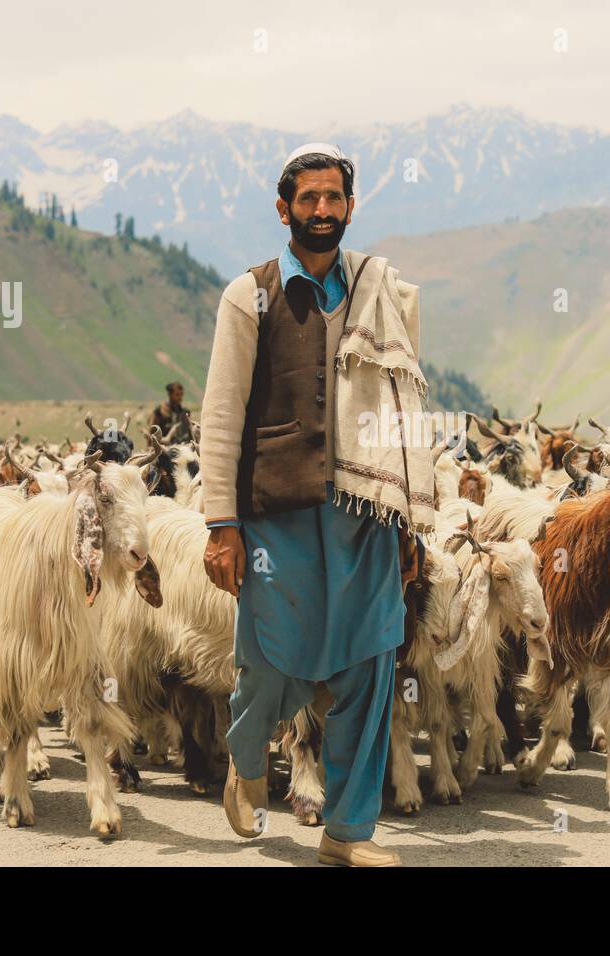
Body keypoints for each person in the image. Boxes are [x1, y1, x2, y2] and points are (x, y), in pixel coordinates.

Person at [198, 143, 435, 867]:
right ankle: (246, 763)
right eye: (309, 200)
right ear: (284, 209)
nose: (323, 211)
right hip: (277, 512)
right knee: (271, 658)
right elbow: (221, 414)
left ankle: (347, 834)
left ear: (350, 206)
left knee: (369, 662)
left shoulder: (383, 293)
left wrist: (411, 518)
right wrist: (220, 525)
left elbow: (407, 404)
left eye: (334, 199)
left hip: (367, 513)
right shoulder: (252, 296)